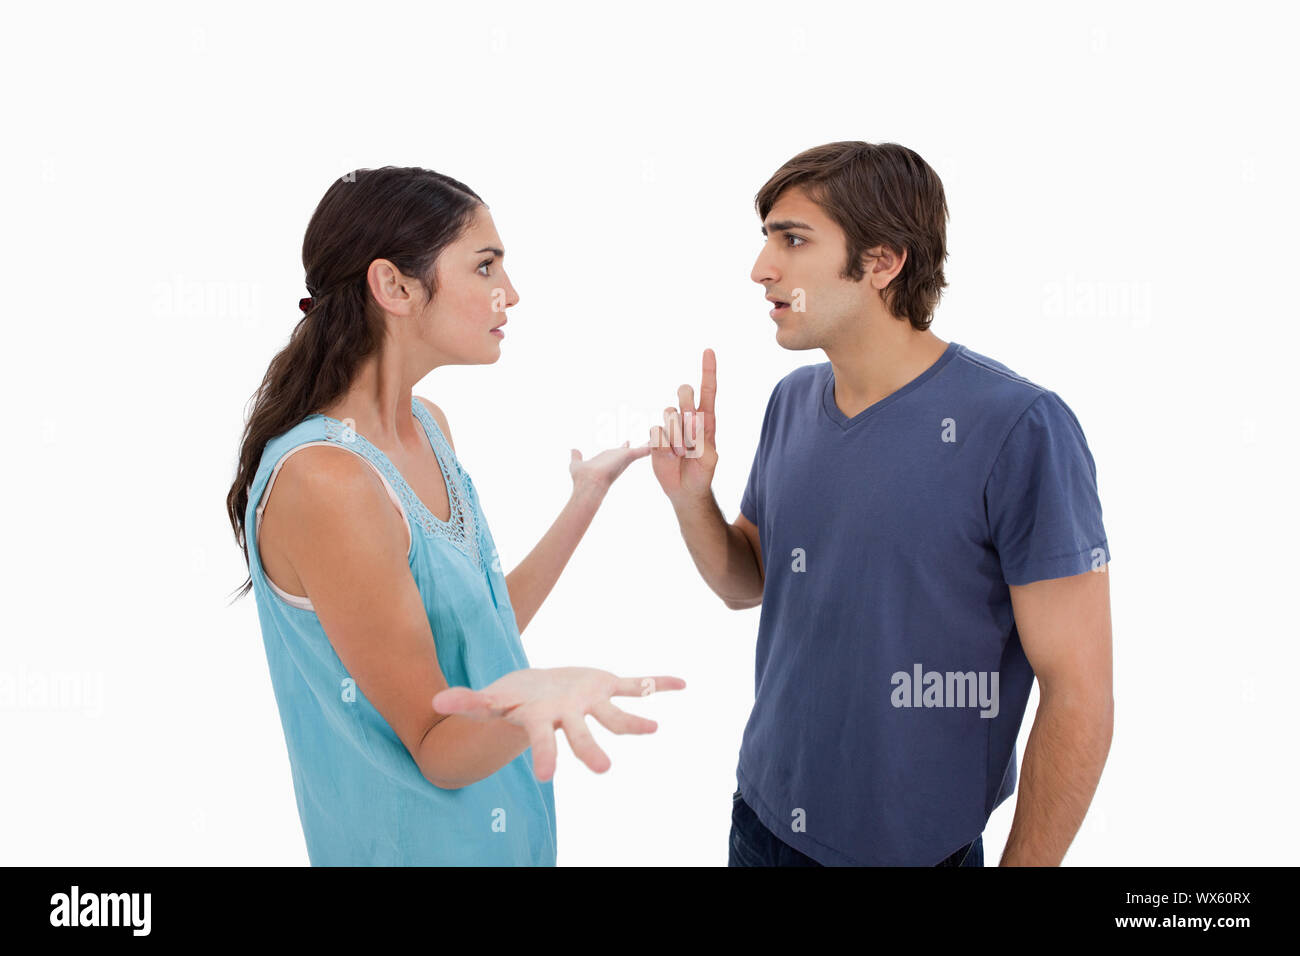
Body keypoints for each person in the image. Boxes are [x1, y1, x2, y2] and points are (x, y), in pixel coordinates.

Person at [647, 142, 1113, 866]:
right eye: (766, 236)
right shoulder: (792, 401)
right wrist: (690, 501)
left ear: (883, 261)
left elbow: (1079, 696)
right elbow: (749, 584)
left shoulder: (1020, 427)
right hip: (760, 822)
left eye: (793, 239)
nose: (761, 268)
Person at [225, 166, 683, 866]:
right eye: (486, 265)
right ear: (395, 287)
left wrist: (583, 500)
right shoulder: (329, 481)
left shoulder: (426, 427)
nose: (512, 292)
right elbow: (439, 747)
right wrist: (543, 691)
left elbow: (478, 630)